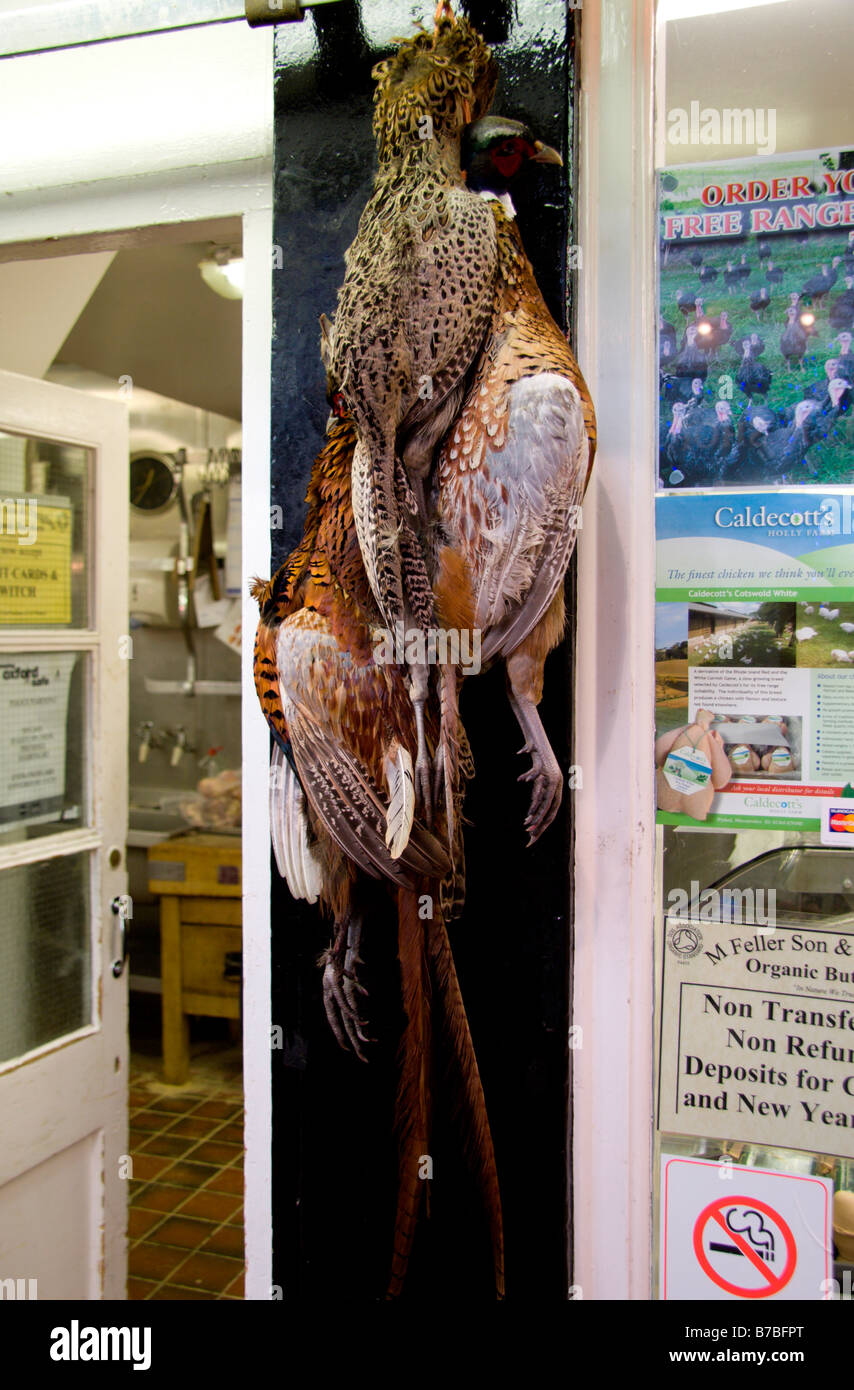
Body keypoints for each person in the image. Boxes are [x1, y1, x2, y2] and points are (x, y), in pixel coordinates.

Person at [655, 708, 731, 821]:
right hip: (695, 807)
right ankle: (702, 726)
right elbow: (721, 779)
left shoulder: (699, 736)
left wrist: (695, 728)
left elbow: (659, 752)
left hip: (664, 802)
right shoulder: (710, 738)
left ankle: (701, 726)